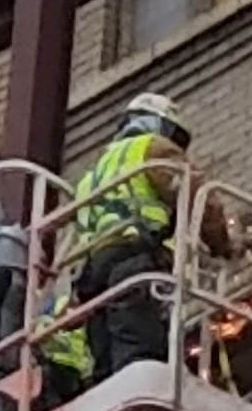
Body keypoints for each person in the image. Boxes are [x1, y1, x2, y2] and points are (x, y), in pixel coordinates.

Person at [72, 93, 234, 381]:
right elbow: (197, 197)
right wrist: (224, 244)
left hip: (94, 274)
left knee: (106, 359)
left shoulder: (92, 176)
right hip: (133, 259)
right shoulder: (153, 149)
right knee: (140, 350)